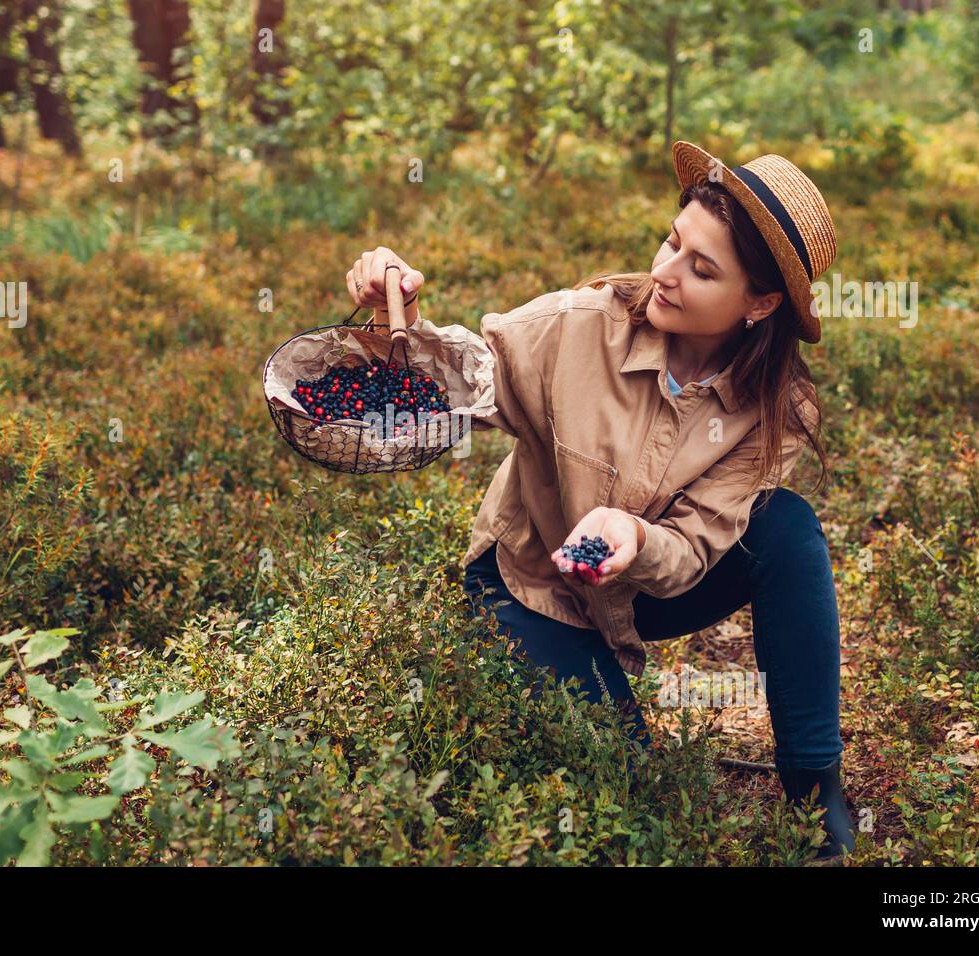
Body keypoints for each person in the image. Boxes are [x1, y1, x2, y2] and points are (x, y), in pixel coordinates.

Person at [344, 140, 855, 861]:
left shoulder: (776, 408)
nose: (664, 273)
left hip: (637, 582)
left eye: (701, 269)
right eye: (672, 242)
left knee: (789, 531)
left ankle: (816, 786)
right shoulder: (577, 326)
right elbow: (440, 390)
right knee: (628, 787)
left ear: (760, 303)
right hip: (534, 584)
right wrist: (394, 310)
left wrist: (637, 540)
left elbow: (699, 546)